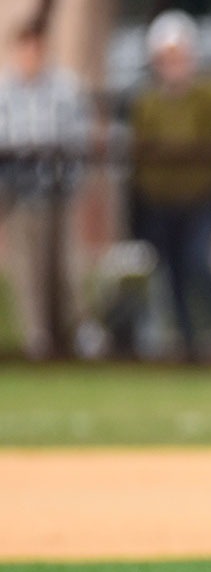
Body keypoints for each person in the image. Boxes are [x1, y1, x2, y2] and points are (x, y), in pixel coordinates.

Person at [129, 11, 211, 362]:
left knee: (199, 264)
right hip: (161, 202)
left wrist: (185, 162)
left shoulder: (208, 95)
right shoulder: (147, 102)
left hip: (200, 199)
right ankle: (189, 345)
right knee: (171, 274)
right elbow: (141, 151)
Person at [0, 23, 94, 358]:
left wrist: (70, 178)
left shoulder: (64, 89)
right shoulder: (4, 92)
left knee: (67, 266)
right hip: (21, 194)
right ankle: (36, 336)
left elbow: (79, 138)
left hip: (59, 191)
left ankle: (75, 332)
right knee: (27, 270)